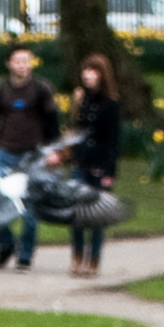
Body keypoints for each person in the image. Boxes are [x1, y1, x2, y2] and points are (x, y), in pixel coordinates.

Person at [0, 47, 61, 272]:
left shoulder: (41, 90)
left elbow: (52, 121)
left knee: (30, 205)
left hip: (32, 154)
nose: (23, 65)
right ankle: (6, 243)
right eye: (18, 61)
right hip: (5, 152)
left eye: (26, 61)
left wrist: (52, 151)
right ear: (9, 64)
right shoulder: (1, 90)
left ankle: (26, 253)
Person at [62, 52, 124, 278]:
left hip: (99, 163)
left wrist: (109, 171)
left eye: (93, 71)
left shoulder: (110, 105)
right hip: (81, 161)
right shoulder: (83, 99)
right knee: (77, 213)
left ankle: (94, 258)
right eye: (85, 71)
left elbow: (112, 140)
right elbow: (76, 128)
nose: (87, 76)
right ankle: (77, 255)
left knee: (97, 216)